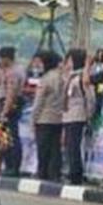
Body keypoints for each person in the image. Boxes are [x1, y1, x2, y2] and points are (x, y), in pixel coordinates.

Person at [60, 49, 96, 185]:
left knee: (74, 146)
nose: (67, 64)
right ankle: (72, 171)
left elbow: (90, 97)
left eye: (69, 61)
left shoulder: (82, 77)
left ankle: (76, 173)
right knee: (69, 146)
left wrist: (88, 114)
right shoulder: (70, 77)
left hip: (78, 115)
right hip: (68, 115)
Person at [30, 51, 65, 181]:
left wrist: (33, 119)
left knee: (43, 149)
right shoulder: (63, 77)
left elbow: (38, 102)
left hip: (44, 118)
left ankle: (42, 173)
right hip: (59, 118)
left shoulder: (46, 80)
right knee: (55, 149)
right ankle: (55, 174)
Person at [0, 46, 25, 176]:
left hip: (9, 105)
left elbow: (11, 94)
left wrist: (4, 112)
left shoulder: (13, 72)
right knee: (6, 136)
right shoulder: (12, 70)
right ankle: (9, 165)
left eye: (1, 58)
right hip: (7, 104)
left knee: (10, 136)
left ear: (7, 58)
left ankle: (12, 166)